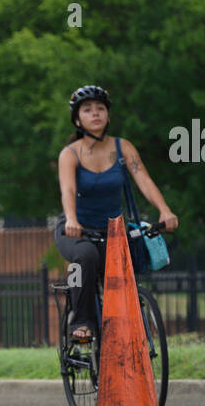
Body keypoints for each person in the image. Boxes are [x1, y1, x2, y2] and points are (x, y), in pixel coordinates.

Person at [54, 84, 179, 342]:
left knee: (126, 269)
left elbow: (143, 179)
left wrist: (164, 210)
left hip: (113, 230)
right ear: (77, 119)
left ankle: (130, 329)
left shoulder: (123, 148)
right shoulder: (70, 154)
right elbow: (67, 190)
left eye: (100, 109)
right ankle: (81, 322)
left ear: (108, 116)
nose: (95, 113)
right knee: (84, 256)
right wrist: (71, 219)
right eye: (87, 110)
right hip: (77, 229)